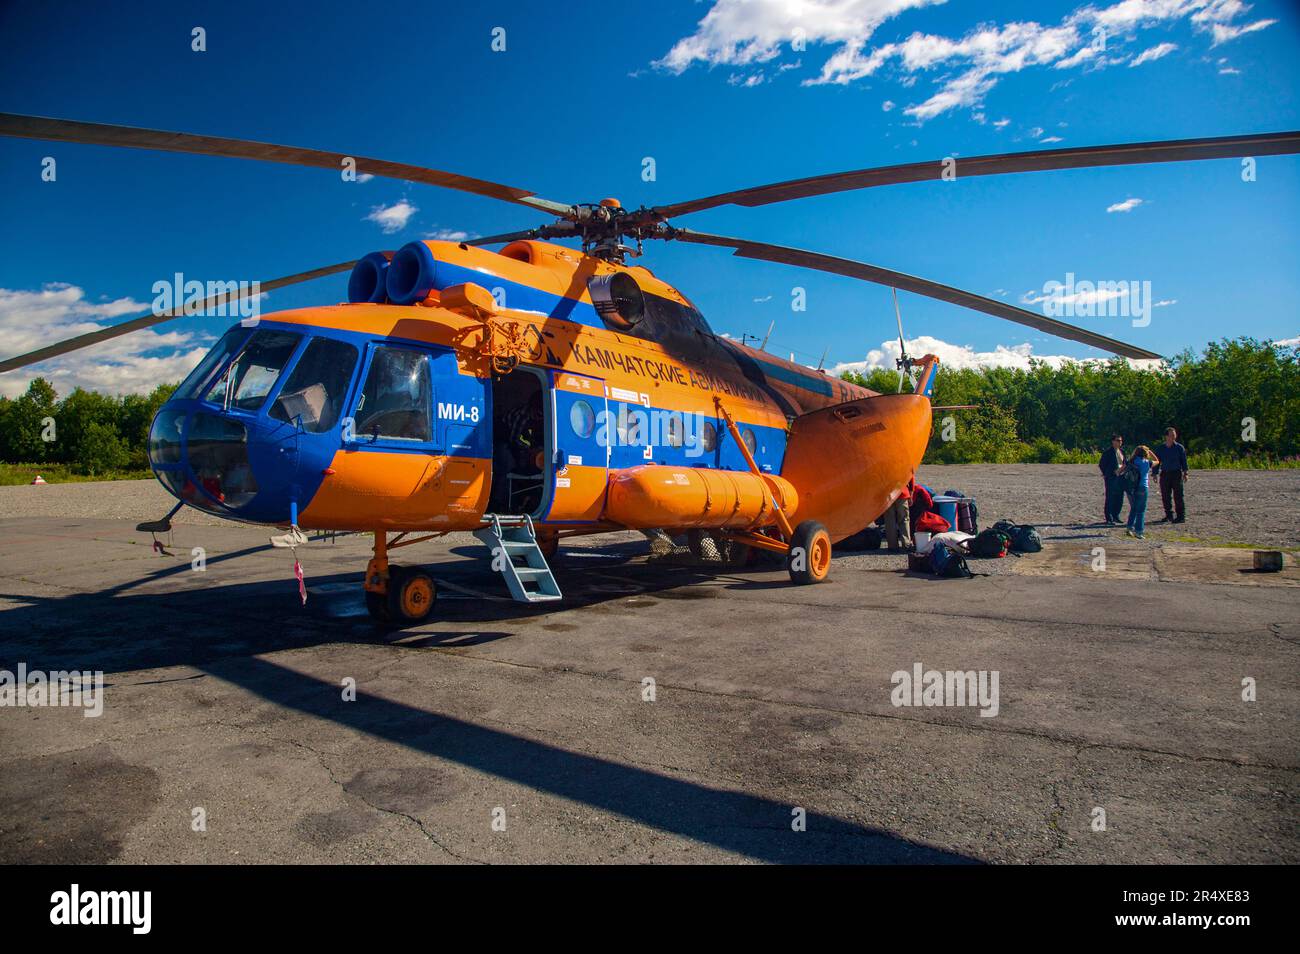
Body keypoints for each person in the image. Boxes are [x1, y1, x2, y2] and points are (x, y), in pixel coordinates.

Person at [1153, 426, 1189, 523]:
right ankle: (1169, 515)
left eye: (1174, 435)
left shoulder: (1179, 448)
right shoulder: (1161, 448)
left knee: (1178, 495)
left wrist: (1185, 472)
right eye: (1171, 435)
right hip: (1165, 474)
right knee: (1165, 496)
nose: (1174, 437)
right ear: (1166, 436)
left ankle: (1181, 516)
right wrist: (1154, 474)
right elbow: (1157, 462)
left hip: (1176, 473)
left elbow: (1184, 461)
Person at [1122, 445, 1154, 539]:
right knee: (1141, 510)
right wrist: (1150, 452)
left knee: (1134, 508)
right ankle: (1139, 531)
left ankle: (1129, 527)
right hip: (1142, 486)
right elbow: (1157, 460)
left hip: (1132, 487)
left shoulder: (1131, 461)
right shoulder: (1146, 462)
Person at [1098, 433, 1126, 525]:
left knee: (1119, 497)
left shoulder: (1122, 452)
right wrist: (1108, 473)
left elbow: (1125, 463)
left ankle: (1116, 516)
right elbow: (1102, 464)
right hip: (1111, 477)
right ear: (1113, 441)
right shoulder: (1107, 452)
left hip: (1121, 477)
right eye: (1118, 440)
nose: (1120, 442)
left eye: (1121, 440)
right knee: (1110, 497)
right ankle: (1109, 518)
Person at [883, 480, 913, 551]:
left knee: (889, 521)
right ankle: (906, 544)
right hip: (902, 493)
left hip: (887, 493)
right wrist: (911, 493)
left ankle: (892, 545)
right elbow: (910, 476)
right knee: (904, 519)